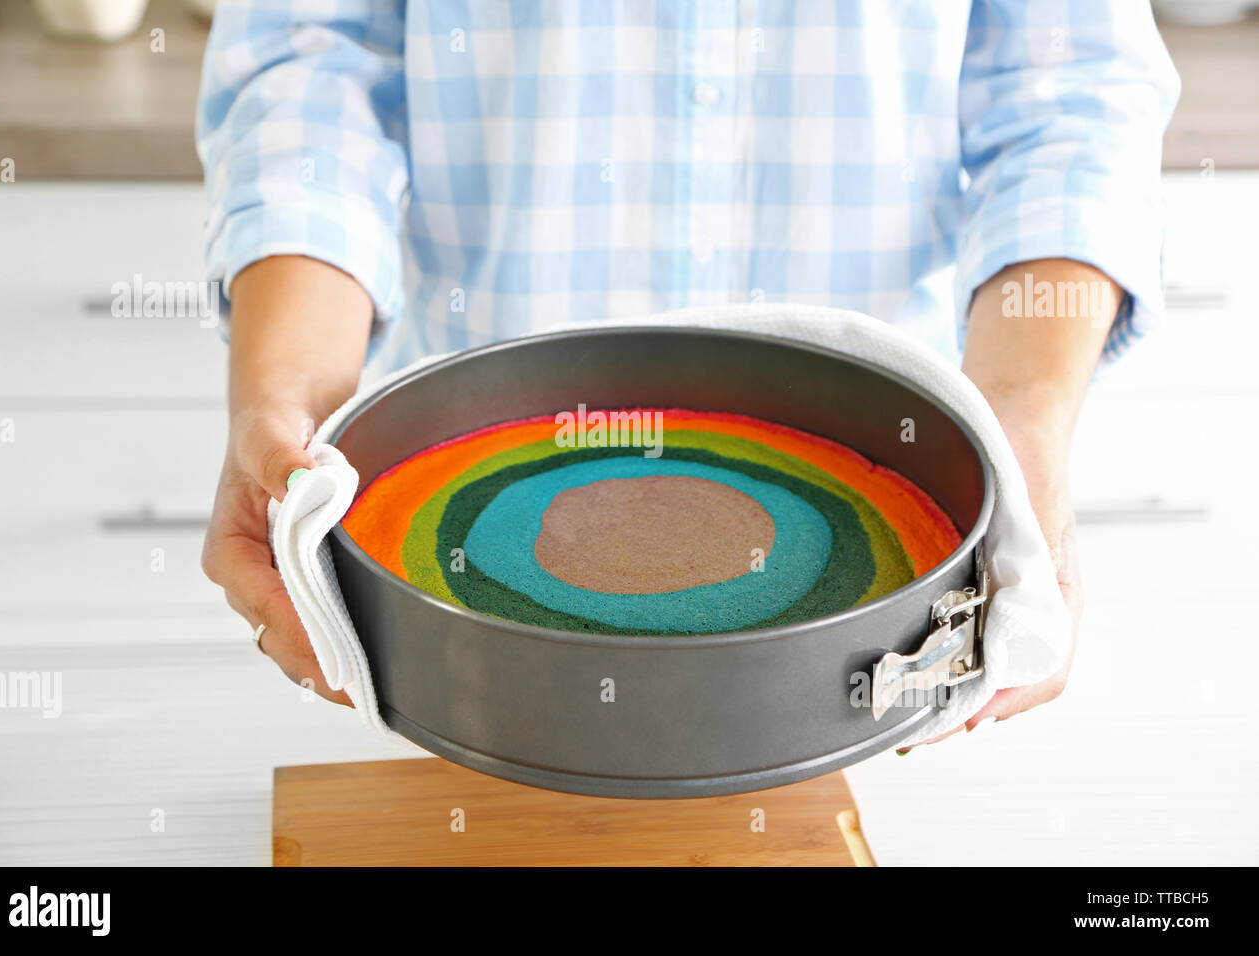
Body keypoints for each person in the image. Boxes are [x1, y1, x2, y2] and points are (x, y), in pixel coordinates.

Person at [196, 1, 1179, 741]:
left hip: (881, 613)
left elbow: (1072, 90)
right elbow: (309, 63)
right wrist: (289, 392)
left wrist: (1019, 425)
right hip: (451, 627)